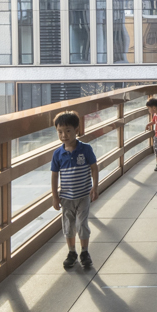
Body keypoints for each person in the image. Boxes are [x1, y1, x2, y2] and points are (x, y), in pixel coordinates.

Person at [50, 112, 99, 270]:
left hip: (83, 195)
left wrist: (95, 187)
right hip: (66, 198)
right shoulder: (58, 154)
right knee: (68, 225)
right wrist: (55, 197)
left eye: (68, 131)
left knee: (81, 224)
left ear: (76, 130)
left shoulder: (85, 149)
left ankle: (85, 252)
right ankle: (72, 252)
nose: (64, 135)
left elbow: (94, 168)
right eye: (60, 132)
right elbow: (54, 176)